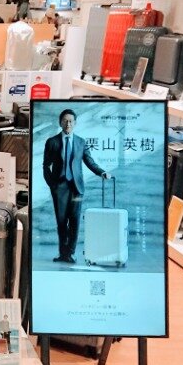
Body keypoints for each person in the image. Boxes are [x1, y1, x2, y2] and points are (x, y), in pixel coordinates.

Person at [42, 109, 111, 264]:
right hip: (60, 188)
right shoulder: (52, 142)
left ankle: (71, 253)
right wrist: (52, 185)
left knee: (74, 221)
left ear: (75, 123)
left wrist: (101, 172)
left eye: (71, 121)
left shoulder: (81, 142)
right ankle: (63, 254)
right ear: (60, 122)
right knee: (61, 222)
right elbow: (46, 166)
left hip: (76, 188)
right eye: (65, 121)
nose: (68, 124)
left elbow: (89, 162)